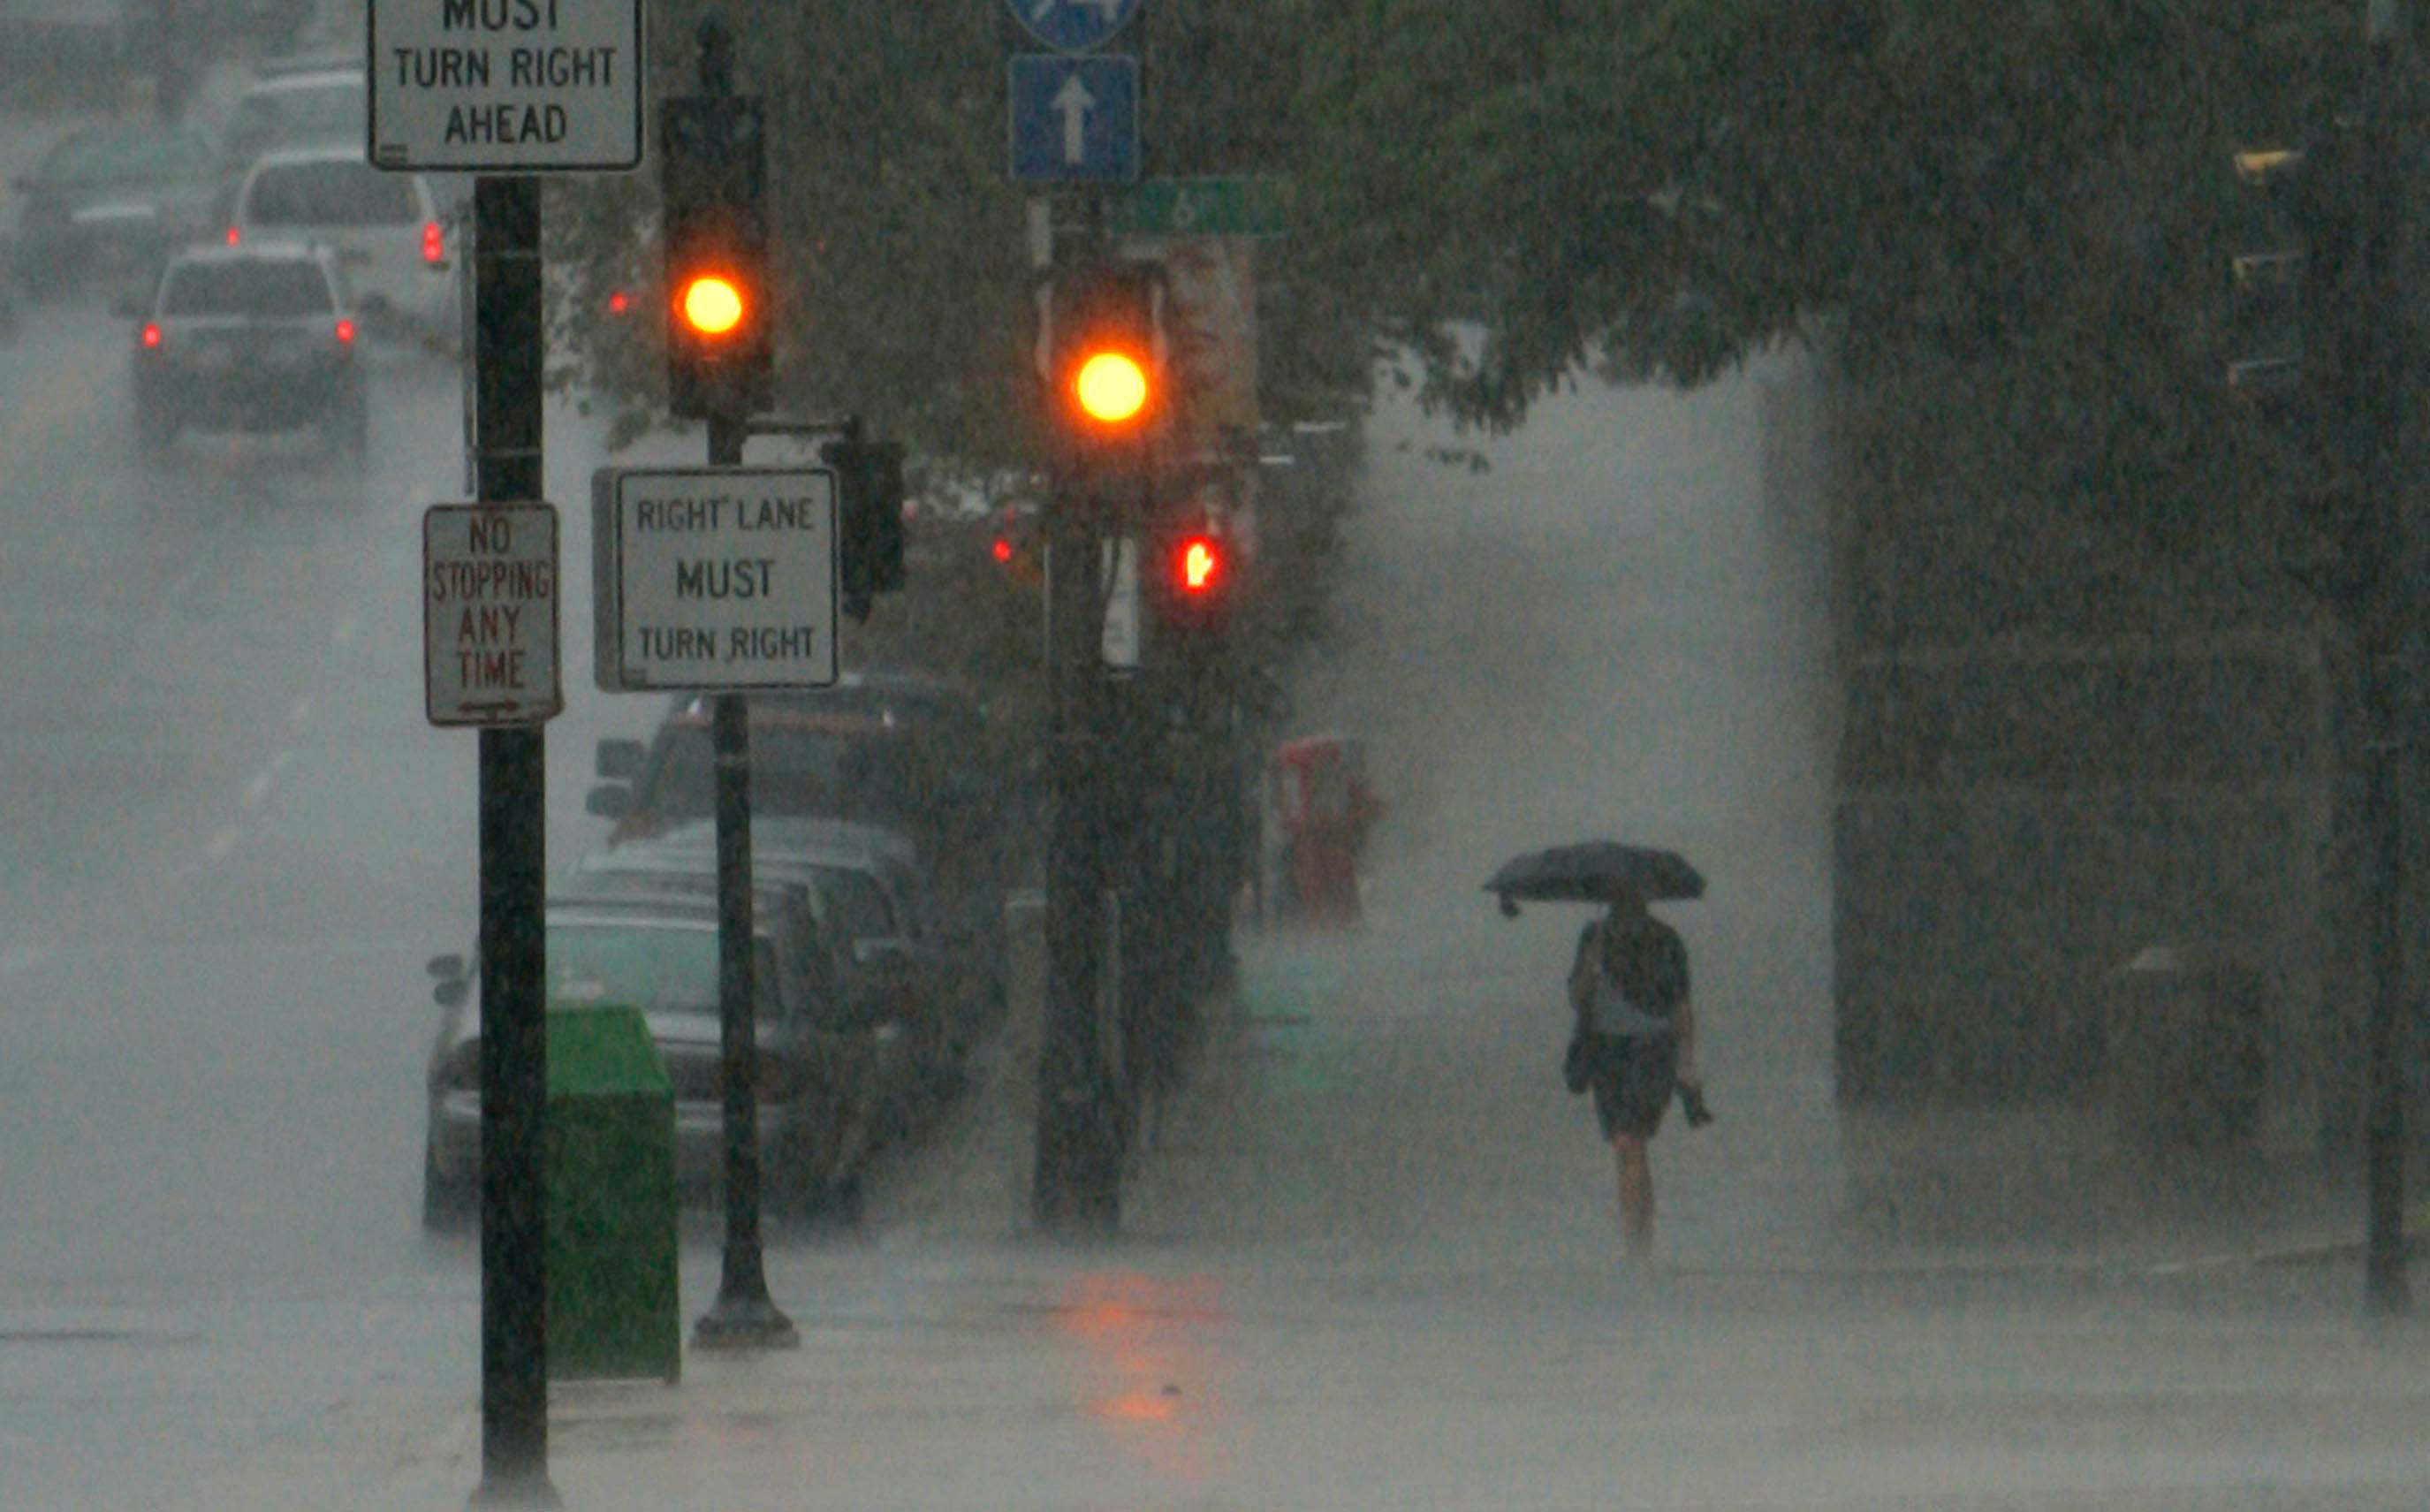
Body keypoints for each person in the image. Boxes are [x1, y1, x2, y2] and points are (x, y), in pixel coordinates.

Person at [1566, 880, 1707, 1259]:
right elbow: (1576, 996)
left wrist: (1686, 1064)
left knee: (1631, 1142)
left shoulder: (1666, 941)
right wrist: (1593, 963)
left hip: (1651, 1053)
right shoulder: (1593, 937)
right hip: (1608, 1054)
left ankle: (1637, 1247)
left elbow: (1681, 1006)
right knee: (1627, 1147)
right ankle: (1639, 1238)